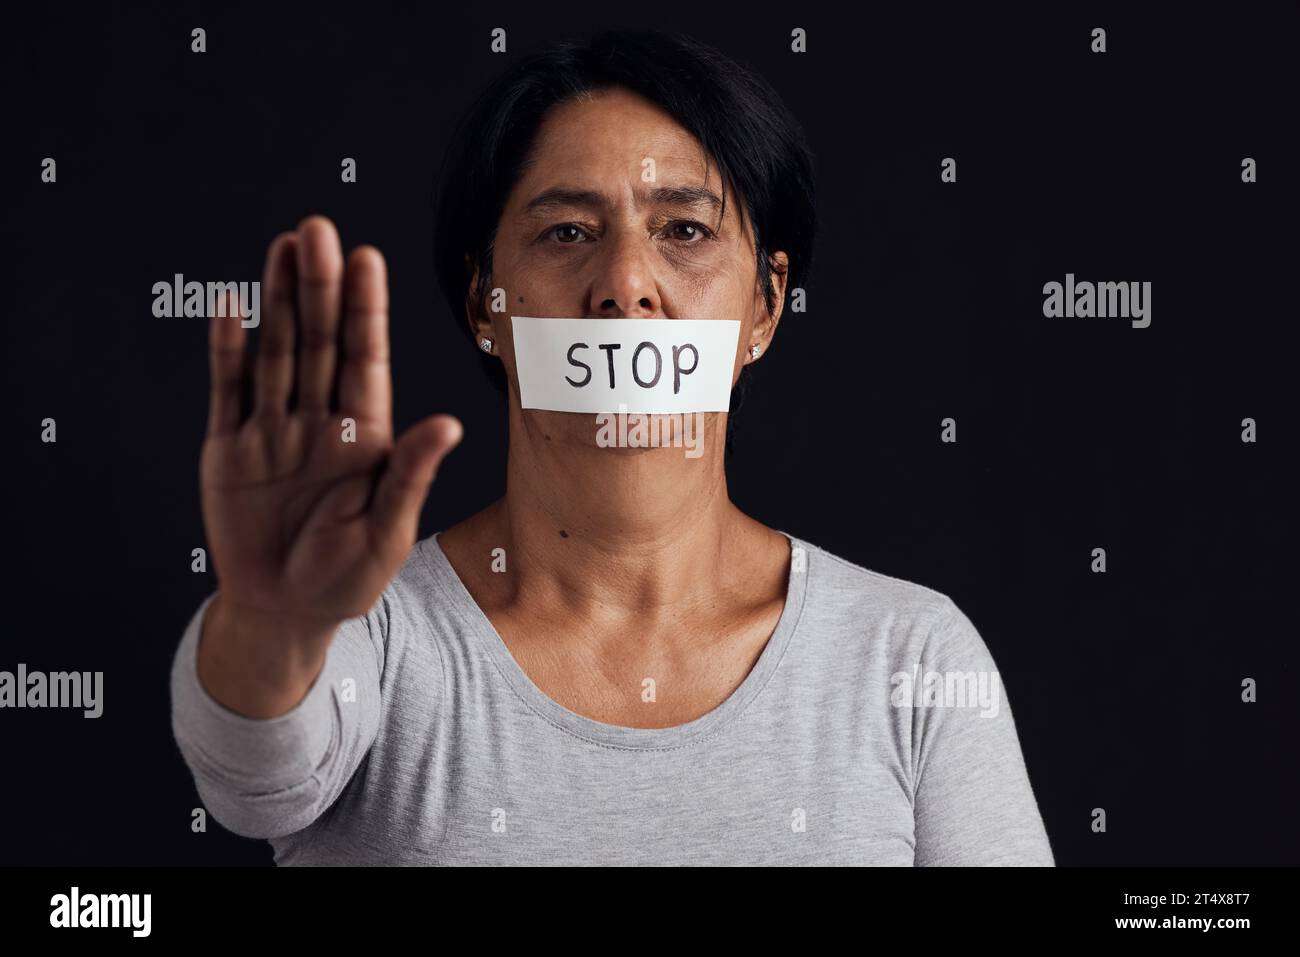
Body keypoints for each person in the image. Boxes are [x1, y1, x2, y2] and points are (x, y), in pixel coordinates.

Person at [170, 28, 1054, 865]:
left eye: (684, 231)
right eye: (567, 232)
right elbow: (255, 776)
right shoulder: (370, 633)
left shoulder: (910, 657)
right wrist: (270, 625)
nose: (626, 284)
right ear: (487, 301)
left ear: (764, 305)